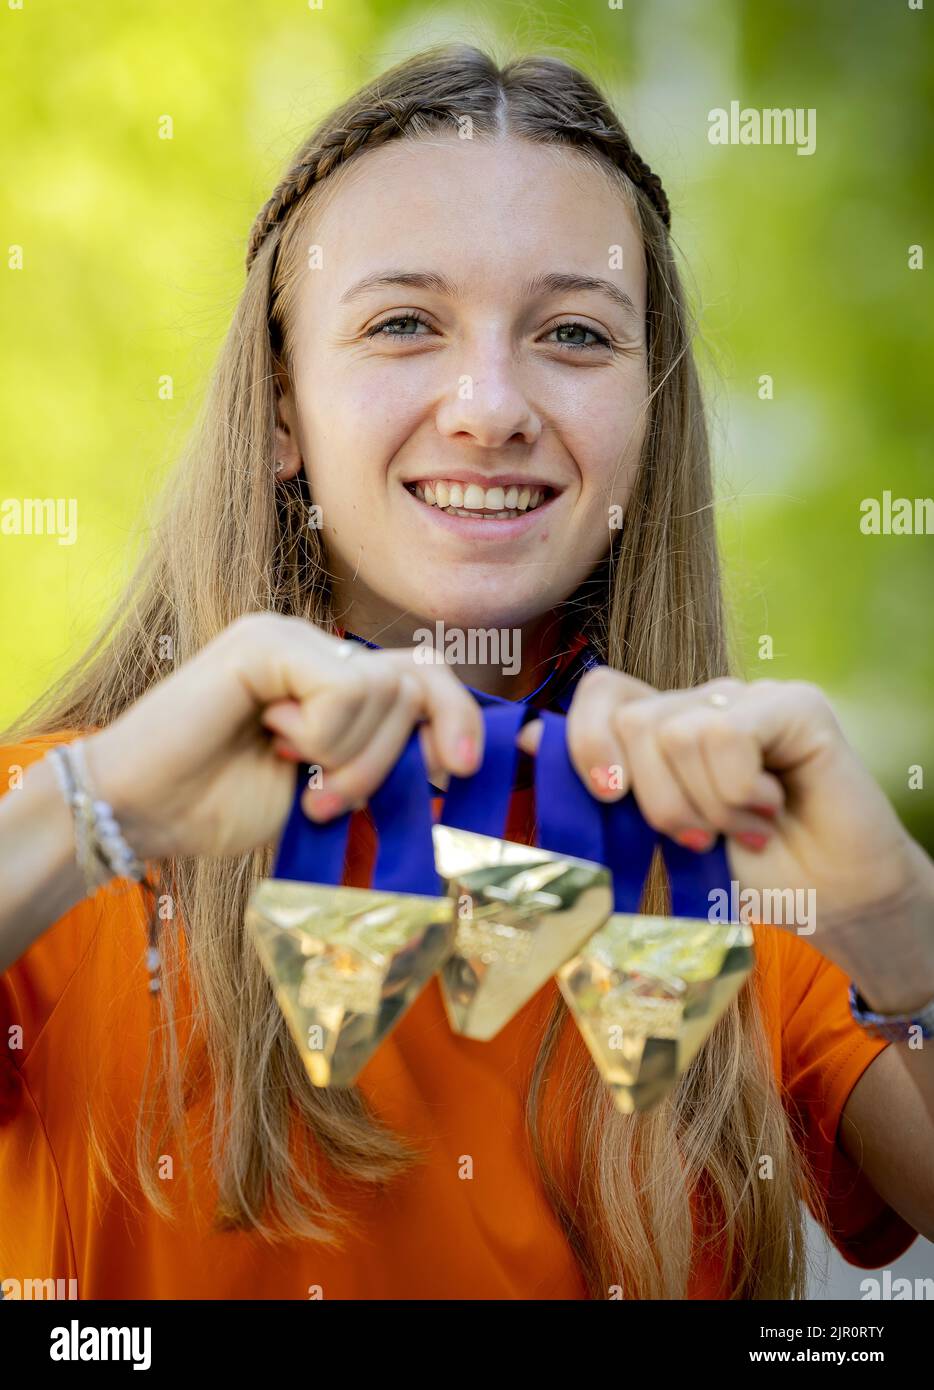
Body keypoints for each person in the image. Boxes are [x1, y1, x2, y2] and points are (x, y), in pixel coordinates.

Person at [1, 43, 932, 1302]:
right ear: (282, 408)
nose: (489, 404)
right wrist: (95, 815)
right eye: (401, 323)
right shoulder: (60, 833)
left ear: (646, 415)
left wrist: (896, 929)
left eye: (572, 333)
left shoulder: (743, 863)